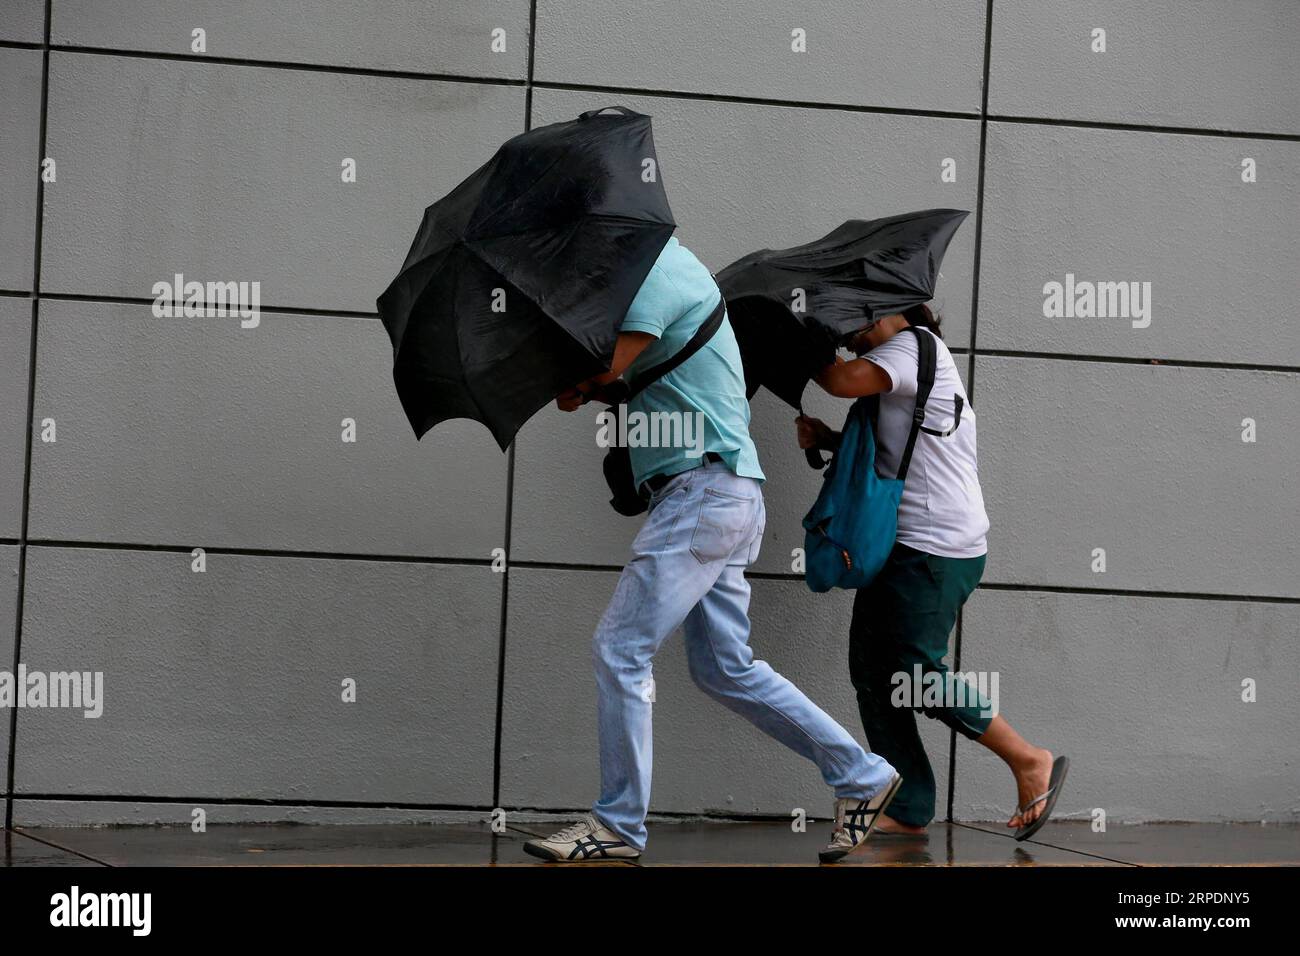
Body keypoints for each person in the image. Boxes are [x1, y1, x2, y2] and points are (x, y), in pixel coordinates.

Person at [523, 236, 901, 863]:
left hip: (702, 494)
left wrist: (581, 380)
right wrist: (586, 387)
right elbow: (630, 378)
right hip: (719, 494)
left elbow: (612, 365)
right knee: (724, 667)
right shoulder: (665, 282)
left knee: (620, 648)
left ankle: (617, 826)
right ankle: (862, 777)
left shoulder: (659, 271)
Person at [796, 303, 1067, 838]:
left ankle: (1029, 759)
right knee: (874, 673)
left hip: (933, 546)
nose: (849, 342)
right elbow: (899, 451)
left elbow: (837, 379)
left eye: (851, 326)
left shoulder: (911, 348)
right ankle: (909, 802)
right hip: (914, 545)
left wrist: (795, 337)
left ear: (880, 309)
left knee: (916, 673)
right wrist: (829, 438)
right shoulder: (909, 360)